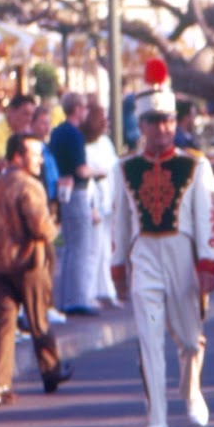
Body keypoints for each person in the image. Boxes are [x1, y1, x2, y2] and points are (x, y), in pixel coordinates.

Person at [109, 63, 214, 427]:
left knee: (190, 339)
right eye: (154, 121)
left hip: (182, 254)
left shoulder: (195, 164)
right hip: (144, 257)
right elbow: (119, 222)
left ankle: (191, 390)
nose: (163, 128)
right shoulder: (124, 168)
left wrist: (207, 262)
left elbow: (206, 217)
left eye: (168, 120)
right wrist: (118, 268)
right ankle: (156, 417)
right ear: (141, 125)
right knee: (149, 338)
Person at [0, 134, 72, 404]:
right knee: (38, 318)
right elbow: (41, 227)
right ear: (18, 157)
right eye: (36, 153)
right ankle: (51, 371)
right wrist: (54, 227)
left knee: (4, 324)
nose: (41, 159)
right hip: (28, 262)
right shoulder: (29, 186)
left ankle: (0, 386)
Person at [47, 91, 104, 316]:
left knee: (70, 246)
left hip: (63, 190)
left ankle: (68, 297)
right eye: (84, 108)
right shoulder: (75, 134)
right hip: (77, 190)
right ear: (78, 109)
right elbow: (81, 169)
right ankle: (78, 298)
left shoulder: (57, 132)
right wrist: (100, 172)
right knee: (81, 245)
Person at [82, 101, 123, 307]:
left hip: (108, 200)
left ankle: (106, 289)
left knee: (107, 248)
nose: (106, 123)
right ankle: (88, 293)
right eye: (102, 119)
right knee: (93, 249)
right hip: (94, 201)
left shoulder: (106, 142)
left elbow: (115, 168)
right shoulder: (85, 144)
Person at [0, 94, 37, 182]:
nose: (29, 119)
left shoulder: (24, 133)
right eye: (25, 114)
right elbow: (5, 164)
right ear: (11, 112)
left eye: (31, 115)